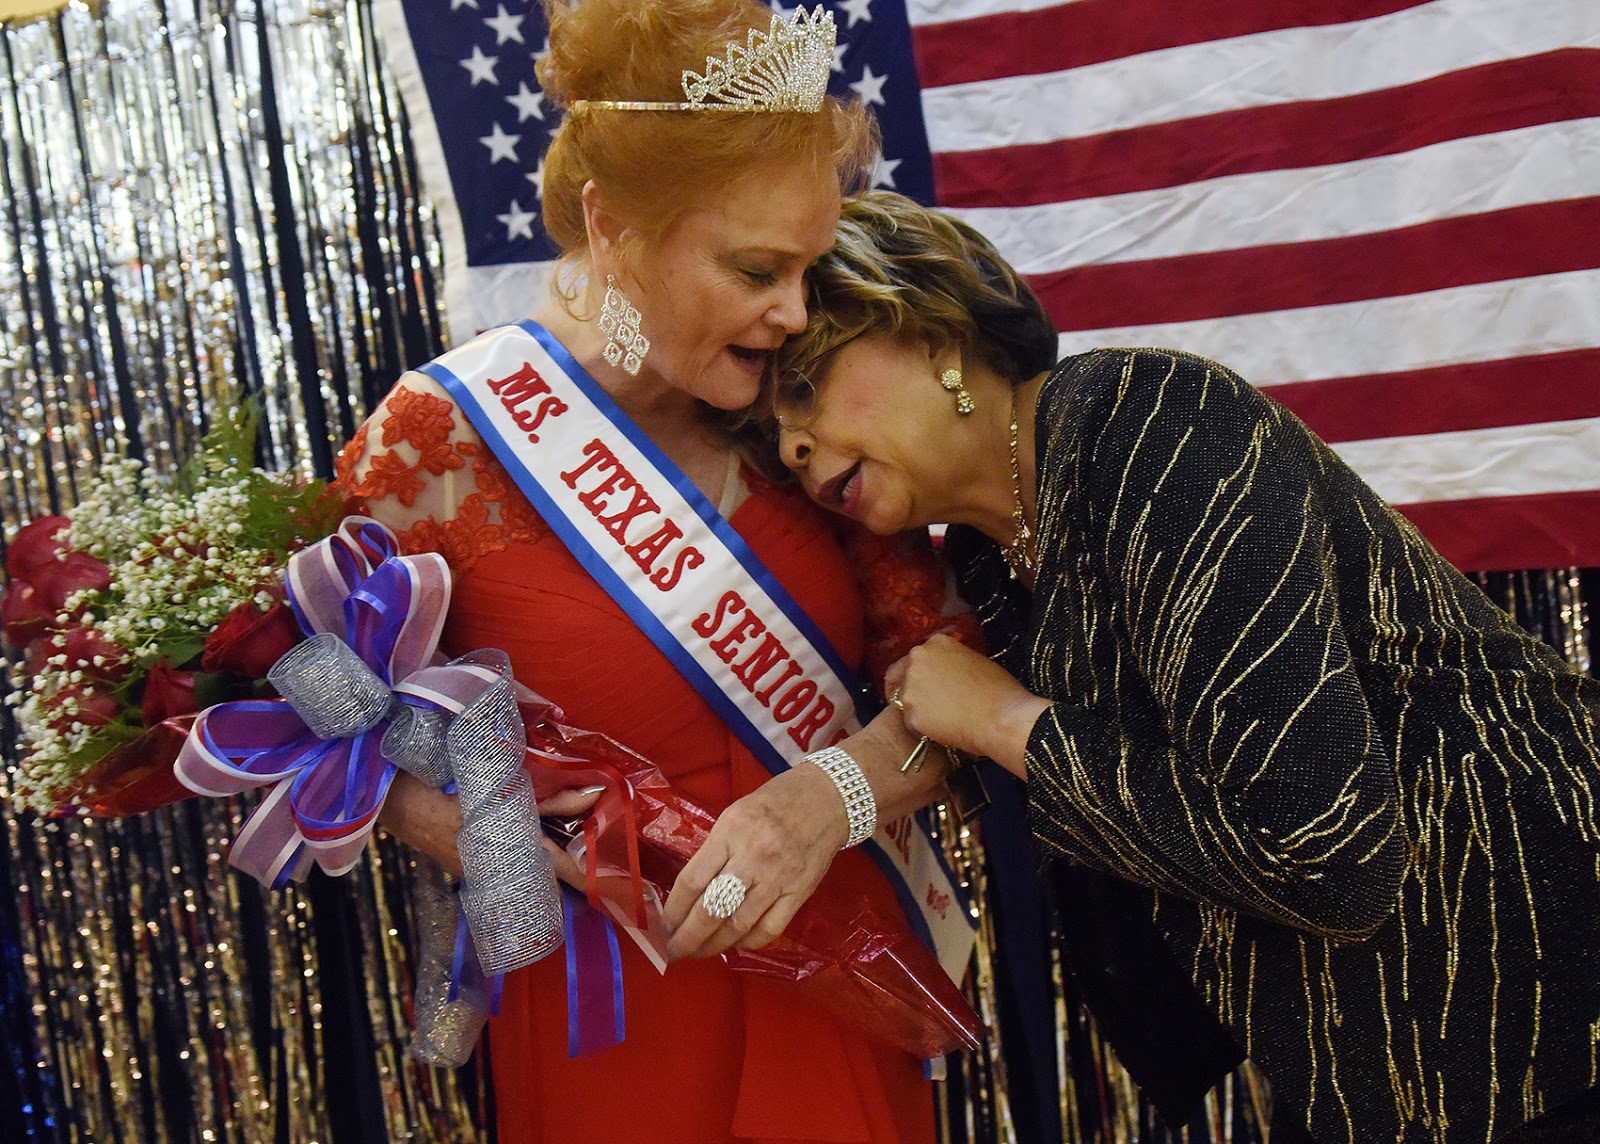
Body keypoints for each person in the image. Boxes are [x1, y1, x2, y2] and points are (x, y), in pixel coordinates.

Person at [703, 189, 1600, 1143]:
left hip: (1547, 1008)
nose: (794, 445)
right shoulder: (992, 563)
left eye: (804, 384)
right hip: (1389, 1069)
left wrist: (1010, 725)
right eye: (773, 437)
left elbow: (1329, 856)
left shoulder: (1146, 425)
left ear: (933, 331)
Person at [335, 9, 954, 1142]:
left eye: (812, 266)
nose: (798, 312)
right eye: (757, 269)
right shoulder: (436, 441)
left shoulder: (815, 409)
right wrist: (430, 814)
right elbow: (318, 701)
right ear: (611, 225)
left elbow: (953, 686)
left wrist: (832, 794)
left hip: (840, 985)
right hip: (601, 1017)